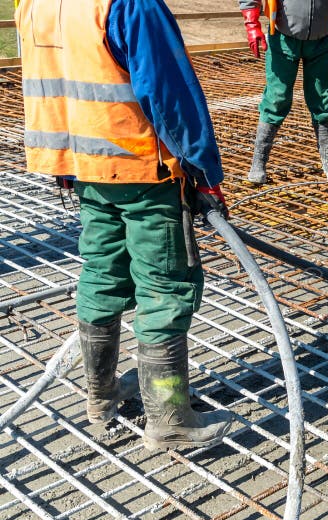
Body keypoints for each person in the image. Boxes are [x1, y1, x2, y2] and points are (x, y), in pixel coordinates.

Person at [15, 0, 233, 449]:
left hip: (81, 168)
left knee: (101, 277)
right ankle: (170, 418)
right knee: (165, 291)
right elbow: (169, 94)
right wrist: (204, 173)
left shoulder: (35, 3)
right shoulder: (129, 4)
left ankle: (102, 397)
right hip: (141, 171)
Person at [239, 0, 328, 184]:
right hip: (283, 38)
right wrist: (252, 25)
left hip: (322, 38)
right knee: (276, 98)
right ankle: (258, 163)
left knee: (323, 99)